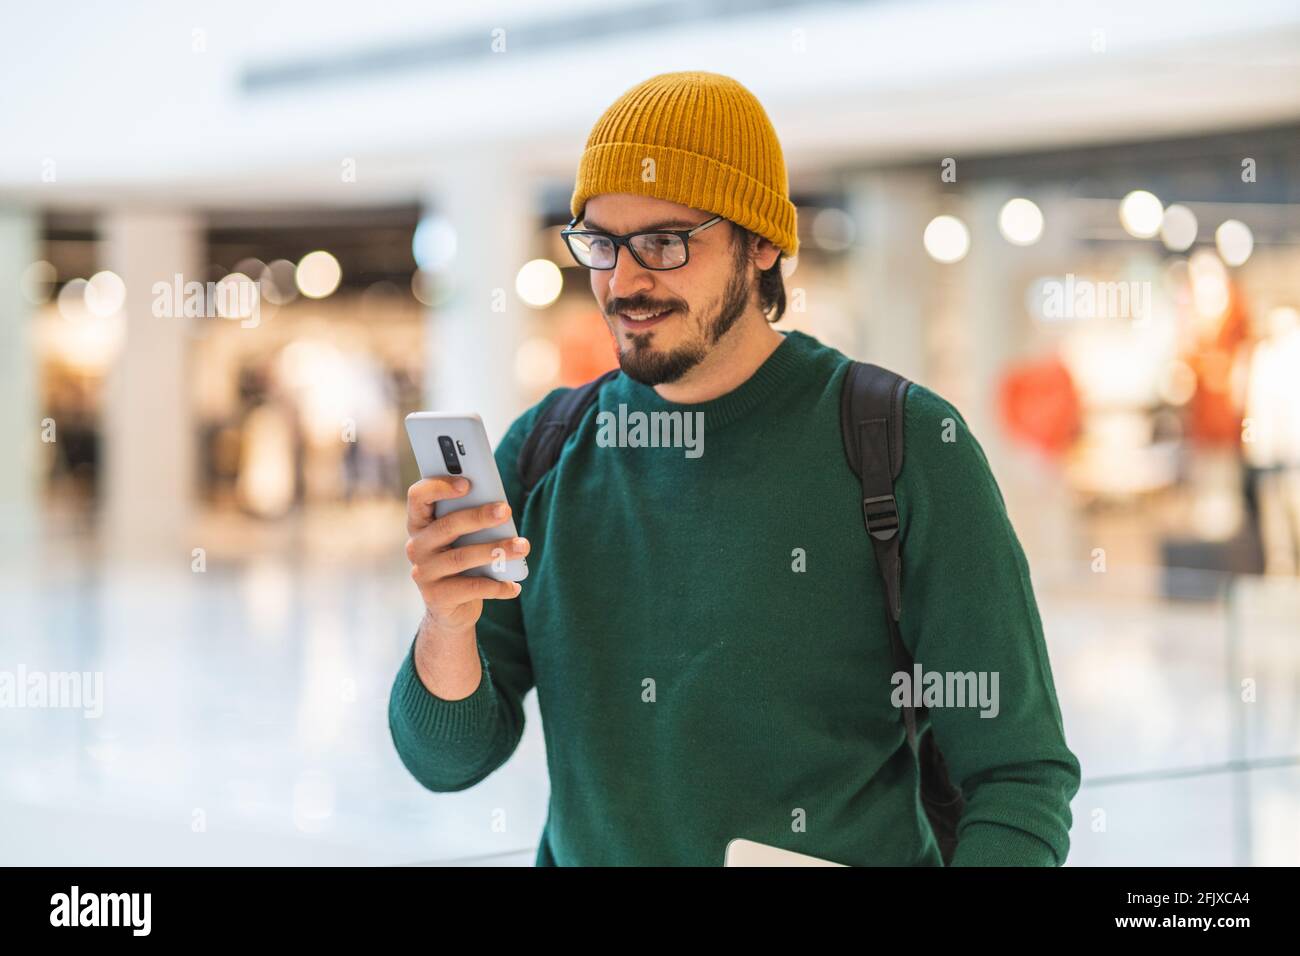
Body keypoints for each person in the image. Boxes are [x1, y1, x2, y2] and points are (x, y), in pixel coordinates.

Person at [389, 70, 1081, 866]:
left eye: (663, 242)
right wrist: (448, 622)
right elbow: (448, 760)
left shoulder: (902, 445)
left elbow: (1019, 774)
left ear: (762, 244)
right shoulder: (544, 452)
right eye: (601, 244)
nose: (624, 280)